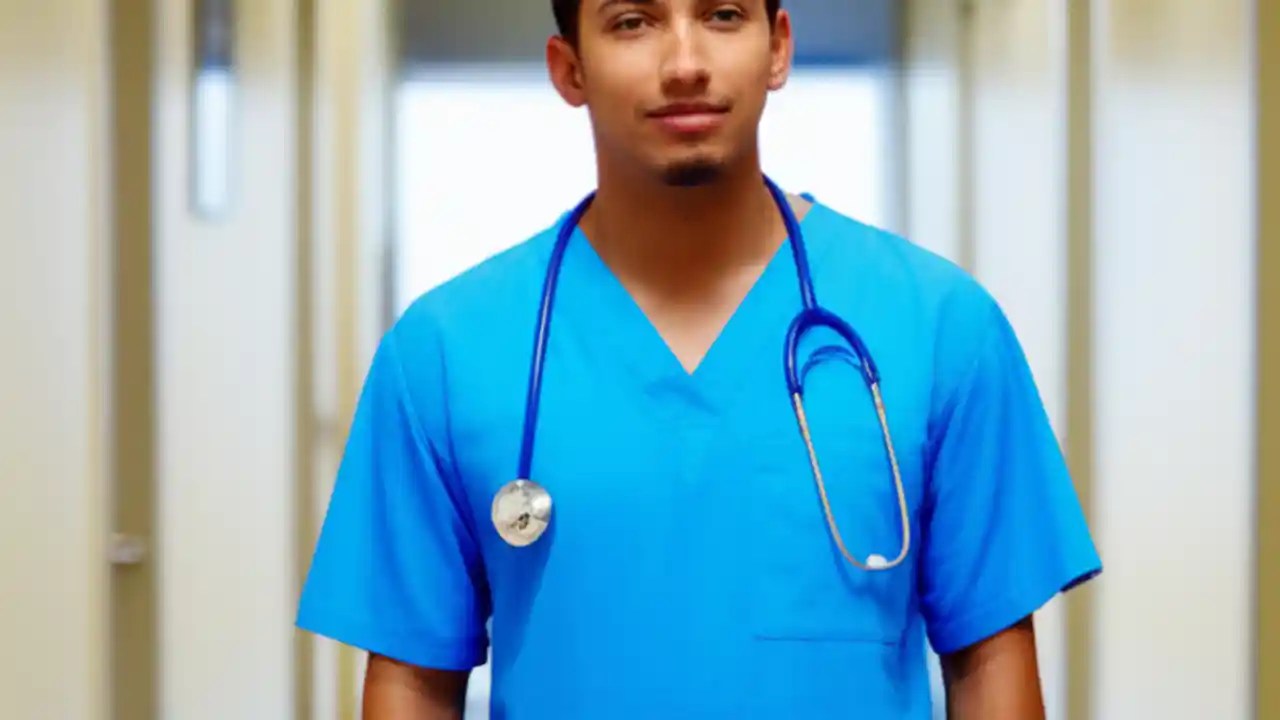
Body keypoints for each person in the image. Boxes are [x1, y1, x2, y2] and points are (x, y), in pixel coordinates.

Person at [295, 0, 1102, 717]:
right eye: (633, 21)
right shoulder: (445, 353)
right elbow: (412, 684)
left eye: (722, 15)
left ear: (778, 47)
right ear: (568, 68)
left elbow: (990, 664)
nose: (685, 64)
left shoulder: (940, 328)